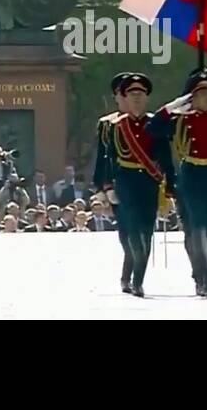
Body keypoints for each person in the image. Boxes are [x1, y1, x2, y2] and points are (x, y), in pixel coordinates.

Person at [149, 67, 207, 299]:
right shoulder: (181, 119)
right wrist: (174, 105)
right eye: (201, 94)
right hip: (190, 176)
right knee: (196, 228)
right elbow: (152, 129)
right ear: (192, 97)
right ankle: (199, 274)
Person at [104, 73, 173, 297]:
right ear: (124, 96)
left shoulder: (156, 125)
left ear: (147, 98)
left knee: (146, 232)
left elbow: (166, 159)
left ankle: (138, 279)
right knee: (132, 233)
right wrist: (107, 188)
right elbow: (109, 158)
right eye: (132, 94)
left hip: (150, 184)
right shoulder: (117, 126)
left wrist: (170, 188)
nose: (136, 98)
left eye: (141, 94)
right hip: (126, 183)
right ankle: (132, 279)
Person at [94, 71, 136, 293]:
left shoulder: (145, 121)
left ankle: (135, 276)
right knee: (127, 235)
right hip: (117, 187)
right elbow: (102, 158)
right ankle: (127, 277)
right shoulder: (108, 124)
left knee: (142, 236)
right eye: (124, 93)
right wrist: (103, 188)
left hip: (143, 186)